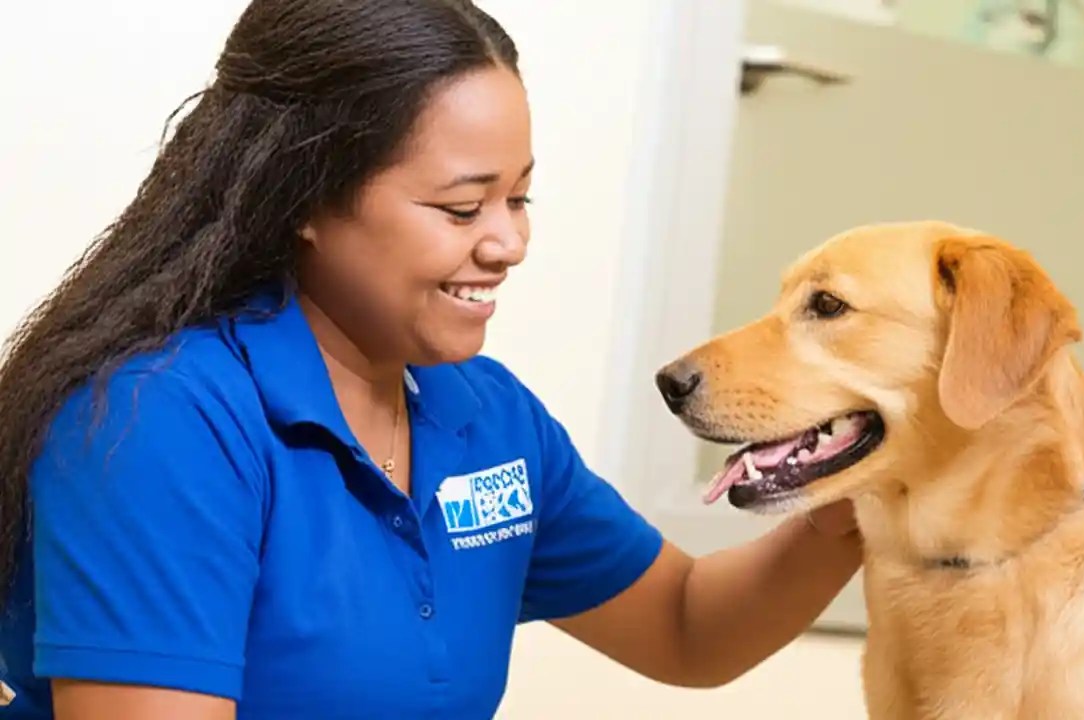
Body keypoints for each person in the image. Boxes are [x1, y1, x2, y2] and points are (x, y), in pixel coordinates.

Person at [0, 1, 864, 718]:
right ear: (305, 199)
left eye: (519, 197)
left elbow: (685, 628)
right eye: (461, 209)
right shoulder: (161, 422)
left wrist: (862, 488)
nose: (510, 242)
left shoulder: (483, 415)